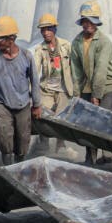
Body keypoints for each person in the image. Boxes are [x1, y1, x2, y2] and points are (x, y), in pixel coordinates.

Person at [0, 16, 41, 165]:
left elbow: (34, 81)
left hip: (22, 103)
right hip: (1, 103)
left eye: (0, 40)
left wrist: (37, 104)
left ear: (11, 39)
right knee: (4, 135)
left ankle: (20, 163)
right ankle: (8, 165)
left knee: (23, 136)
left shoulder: (26, 56)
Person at [69, 0, 112, 165]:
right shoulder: (77, 42)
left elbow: (101, 71)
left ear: (96, 22)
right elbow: (76, 71)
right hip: (88, 84)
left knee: (102, 121)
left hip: (107, 84)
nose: (88, 24)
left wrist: (96, 96)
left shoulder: (104, 42)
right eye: (85, 21)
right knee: (87, 123)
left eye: (91, 21)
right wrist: (77, 95)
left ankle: (109, 154)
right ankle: (90, 157)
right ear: (82, 23)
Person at [32, 13, 77, 159]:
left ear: (54, 29)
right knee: (43, 116)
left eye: (49, 29)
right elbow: (35, 70)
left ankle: (60, 145)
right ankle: (42, 143)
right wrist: (32, 91)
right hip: (46, 89)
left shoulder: (66, 46)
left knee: (61, 120)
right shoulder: (40, 49)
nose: (46, 32)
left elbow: (74, 68)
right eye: (43, 30)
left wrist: (76, 89)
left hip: (64, 89)